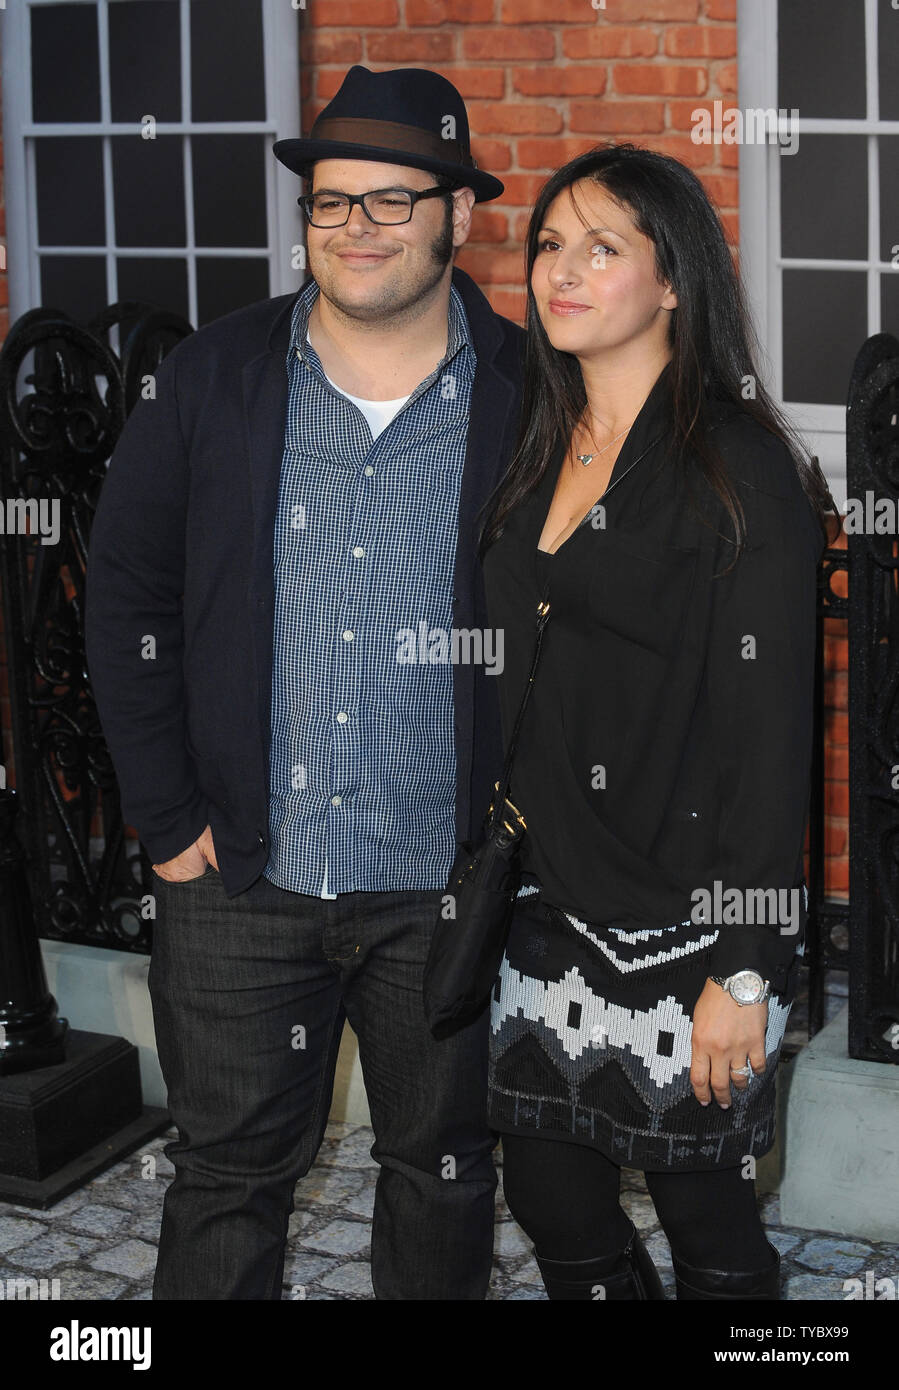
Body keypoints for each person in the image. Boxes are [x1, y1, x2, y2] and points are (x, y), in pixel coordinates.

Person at [84, 65, 525, 1300]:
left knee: (440, 1172)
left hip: (438, 883)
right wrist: (169, 827)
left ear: (458, 216)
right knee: (224, 1177)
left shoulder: (527, 392)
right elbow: (124, 600)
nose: (355, 229)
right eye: (331, 204)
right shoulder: (214, 379)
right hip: (237, 873)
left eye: (391, 201)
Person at [478, 143, 837, 1302]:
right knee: (548, 1192)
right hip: (541, 904)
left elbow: (771, 734)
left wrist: (744, 966)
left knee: (705, 1214)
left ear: (673, 278)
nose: (560, 273)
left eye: (601, 248)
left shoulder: (737, 469)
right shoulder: (532, 442)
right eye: (546, 245)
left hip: (688, 918)